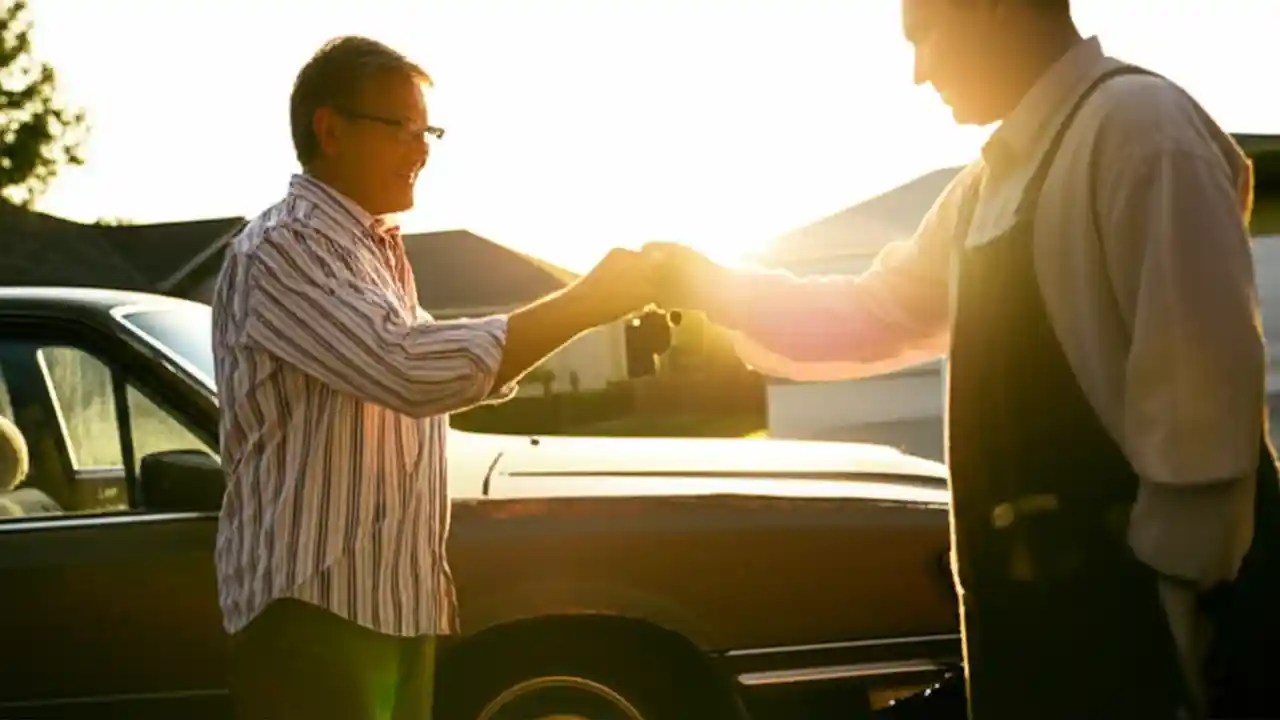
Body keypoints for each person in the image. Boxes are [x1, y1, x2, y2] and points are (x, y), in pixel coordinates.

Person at [645, 1, 1278, 717]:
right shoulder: (986, 187)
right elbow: (874, 314)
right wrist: (713, 289)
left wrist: (1167, 636)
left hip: (1139, 648)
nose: (920, 73)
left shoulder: (1142, 131)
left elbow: (1202, 416)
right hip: (1038, 636)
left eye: (925, 36)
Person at [210, 36, 655, 720]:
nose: (421, 149)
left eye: (429, 131)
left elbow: (436, 367)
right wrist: (588, 302)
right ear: (330, 129)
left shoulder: (369, 248)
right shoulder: (285, 245)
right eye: (403, 129)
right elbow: (411, 367)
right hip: (314, 608)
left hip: (388, 601)